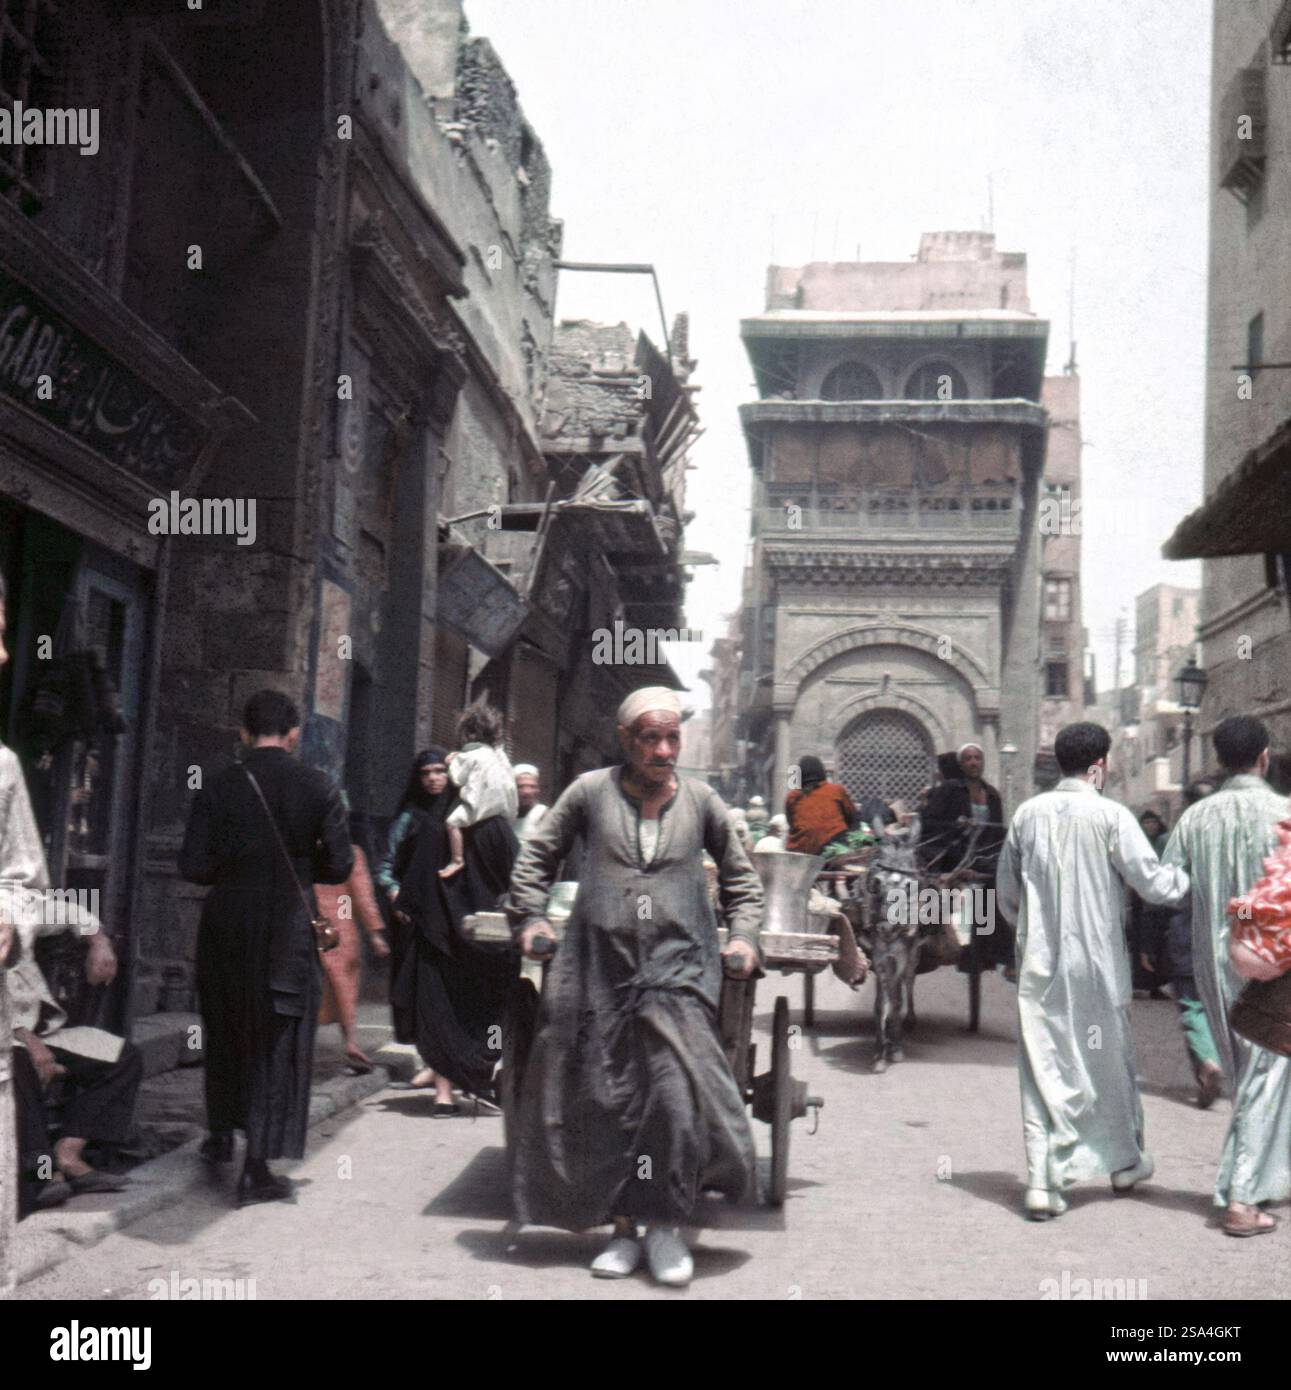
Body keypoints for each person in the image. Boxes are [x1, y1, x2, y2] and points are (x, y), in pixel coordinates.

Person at [506, 685, 763, 1287]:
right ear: (627, 740)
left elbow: (742, 881)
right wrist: (532, 916)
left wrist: (745, 937)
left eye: (674, 737)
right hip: (600, 973)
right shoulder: (590, 793)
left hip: (679, 973)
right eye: (653, 738)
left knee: (675, 1102)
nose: (666, 750)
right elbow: (536, 857)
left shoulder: (701, 802)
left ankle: (666, 1226)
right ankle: (623, 1231)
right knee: (605, 1103)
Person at [996, 721, 1189, 1221]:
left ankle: (1043, 1182)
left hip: (1041, 962)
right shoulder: (1112, 816)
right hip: (1100, 965)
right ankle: (1123, 1162)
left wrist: (1035, 930)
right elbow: (1154, 884)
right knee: (1109, 1058)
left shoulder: (1026, 815)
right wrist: (1191, 877)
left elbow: (1008, 896)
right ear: (1098, 766)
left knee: (1045, 1063)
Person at [179, 689, 353, 1206]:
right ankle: (257, 1166)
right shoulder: (320, 786)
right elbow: (341, 865)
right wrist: (301, 867)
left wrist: (236, 868)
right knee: (276, 1039)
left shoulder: (217, 785)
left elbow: (193, 866)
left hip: (228, 921)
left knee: (226, 1025)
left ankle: (219, 1133)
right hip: (287, 926)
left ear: (244, 732)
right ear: (294, 734)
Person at [1161, 716, 1291, 1237]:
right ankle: (1241, 1198)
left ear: (1217, 760)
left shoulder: (1195, 818)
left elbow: (1169, 887)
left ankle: (1249, 1181)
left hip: (1214, 959)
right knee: (1268, 1070)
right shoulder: (1285, 812)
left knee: (1250, 1072)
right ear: (1263, 757)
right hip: (1275, 959)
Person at [377, 724, 520, 1113]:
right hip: (479, 941)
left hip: (443, 940)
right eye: (429, 773)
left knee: (444, 1012)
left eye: (443, 772)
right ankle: (458, 1083)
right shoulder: (496, 827)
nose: (437, 779)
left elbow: (419, 882)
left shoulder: (443, 824)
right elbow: (519, 880)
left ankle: (452, 1086)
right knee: (476, 1012)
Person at [920, 743, 1009, 973]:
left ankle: (989, 949)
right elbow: (928, 824)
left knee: (997, 890)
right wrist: (957, 825)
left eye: (977, 758)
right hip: (952, 856)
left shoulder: (992, 795)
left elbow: (998, 833)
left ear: (983, 762)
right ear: (962, 764)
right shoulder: (949, 790)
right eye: (968, 759)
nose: (973, 762)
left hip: (983, 858)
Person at [1161, 783, 1223, 1109]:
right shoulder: (1230, 832)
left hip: (1188, 926)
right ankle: (1212, 1068)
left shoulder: (1183, 834)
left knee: (1191, 1003)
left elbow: (1165, 884)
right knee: (1221, 1003)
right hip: (1227, 928)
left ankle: (1208, 1063)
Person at [316, 815, 389, 1074]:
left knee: (309, 988)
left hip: (309, 922)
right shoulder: (351, 853)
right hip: (339, 926)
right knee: (343, 988)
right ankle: (350, 1043)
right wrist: (374, 933)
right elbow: (362, 895)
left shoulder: (304, 850)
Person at [440, 701, 518, 879]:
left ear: (468, 733)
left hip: (478, 813)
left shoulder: (470, 756)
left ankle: (456, 860)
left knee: (452, 823)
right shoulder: (501, 757)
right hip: (503, 819)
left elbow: (457, 777)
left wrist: (451, 761)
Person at [784, 755, 856, 854]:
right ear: (822, 772)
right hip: (831, 848)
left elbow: (791, 822)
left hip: (800, 851)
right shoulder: (836, 790)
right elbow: (852, 816)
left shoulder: (792, 796)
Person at [512, 764, 548, 843]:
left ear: (538, 790)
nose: (527, 792)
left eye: (532, 787)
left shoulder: (543, 814)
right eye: (520, 786)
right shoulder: (506, 815)